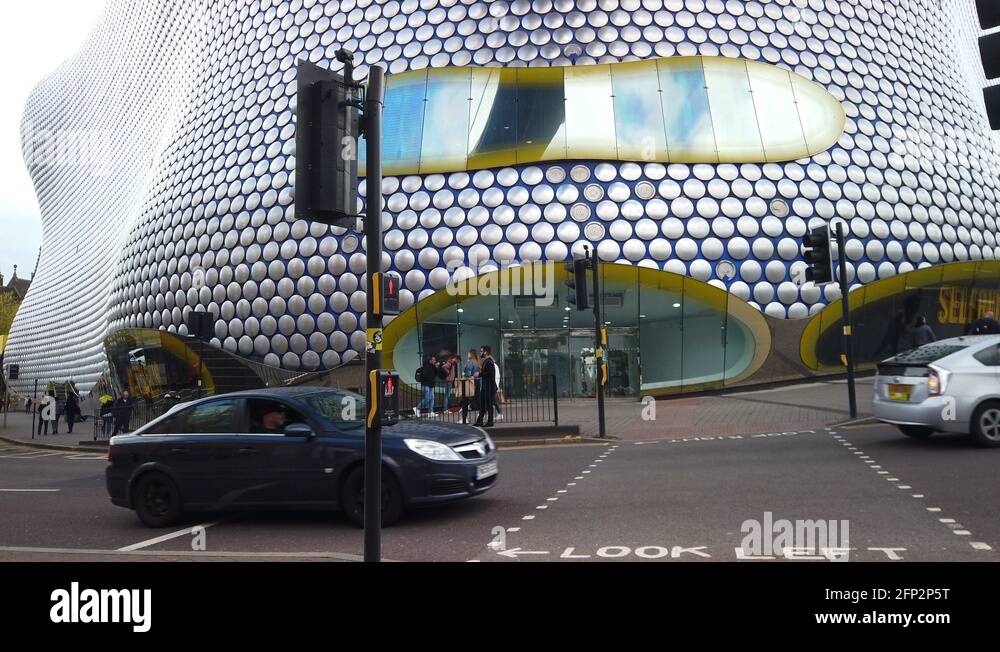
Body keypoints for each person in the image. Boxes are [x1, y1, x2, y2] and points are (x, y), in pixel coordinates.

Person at [476, 345, 497, 428]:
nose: (480, 353)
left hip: (489, 386)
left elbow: (490, 374)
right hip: (486, 386)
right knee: (483, 404)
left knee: (488, 404)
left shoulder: (489, 362)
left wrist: (479, 374)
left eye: (481, 351)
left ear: (485, 352)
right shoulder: (486, 361)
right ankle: (480, 421)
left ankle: (490, 421)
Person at [459, 349, 481, 425]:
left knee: (465, 401)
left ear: (471, 354)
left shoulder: (470, 362)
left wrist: (463, 373)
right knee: (477, 400)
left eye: (468, 353)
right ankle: (481, 415)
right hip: (477, 382)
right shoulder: (477, 362)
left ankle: (464, 420)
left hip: (469, 383)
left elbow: (467, 373)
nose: (467, 355)